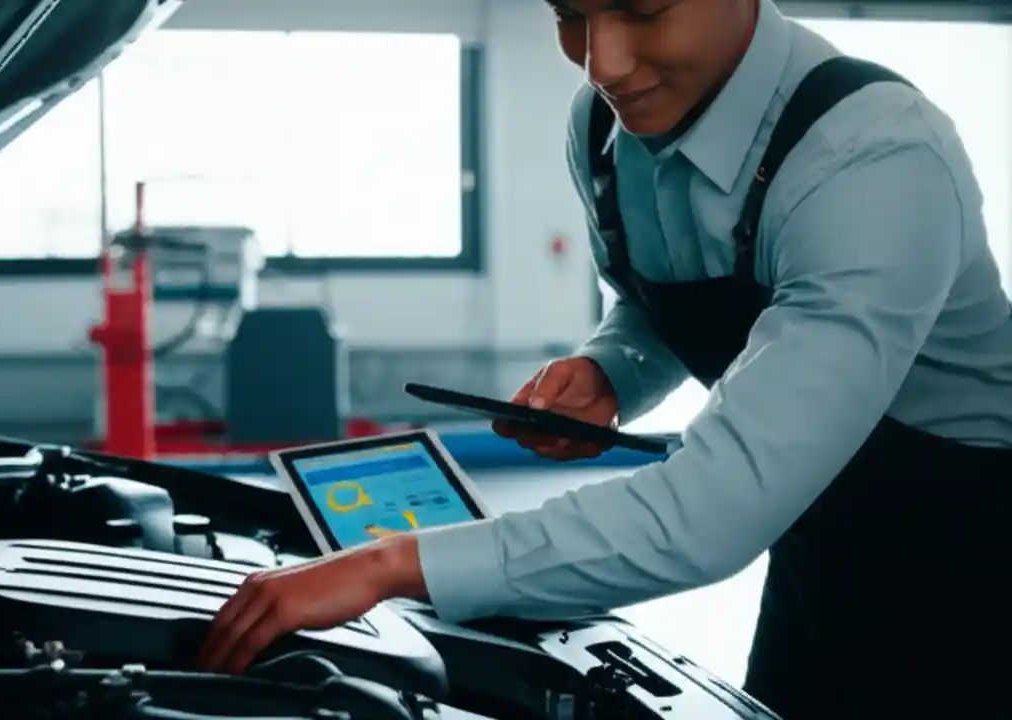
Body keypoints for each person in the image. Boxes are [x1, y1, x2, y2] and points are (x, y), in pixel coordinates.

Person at [197, 1, 1012, 716]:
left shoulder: (876, 160)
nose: (604, 62)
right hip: (817, 542)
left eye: (643, 10)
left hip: (971, 561)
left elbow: (713, 510)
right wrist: (610, 369)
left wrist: (393, 564)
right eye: (568, 15)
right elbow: (660, 298)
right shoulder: (601, 129)